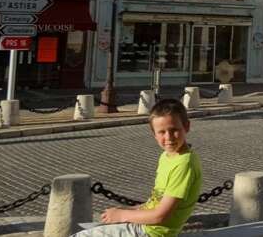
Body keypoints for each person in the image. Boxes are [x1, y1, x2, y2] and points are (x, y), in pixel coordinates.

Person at [73, 99, 203, 237]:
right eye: (162, 132)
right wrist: (129, 210)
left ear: (187, 127)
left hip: (152, 232)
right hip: (146, 226)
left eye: (174, 130)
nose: (168, 137)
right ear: (154, 134)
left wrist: (122, 215)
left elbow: (160, 216)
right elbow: (155, 201)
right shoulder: (167, 156)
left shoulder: (184, 164)